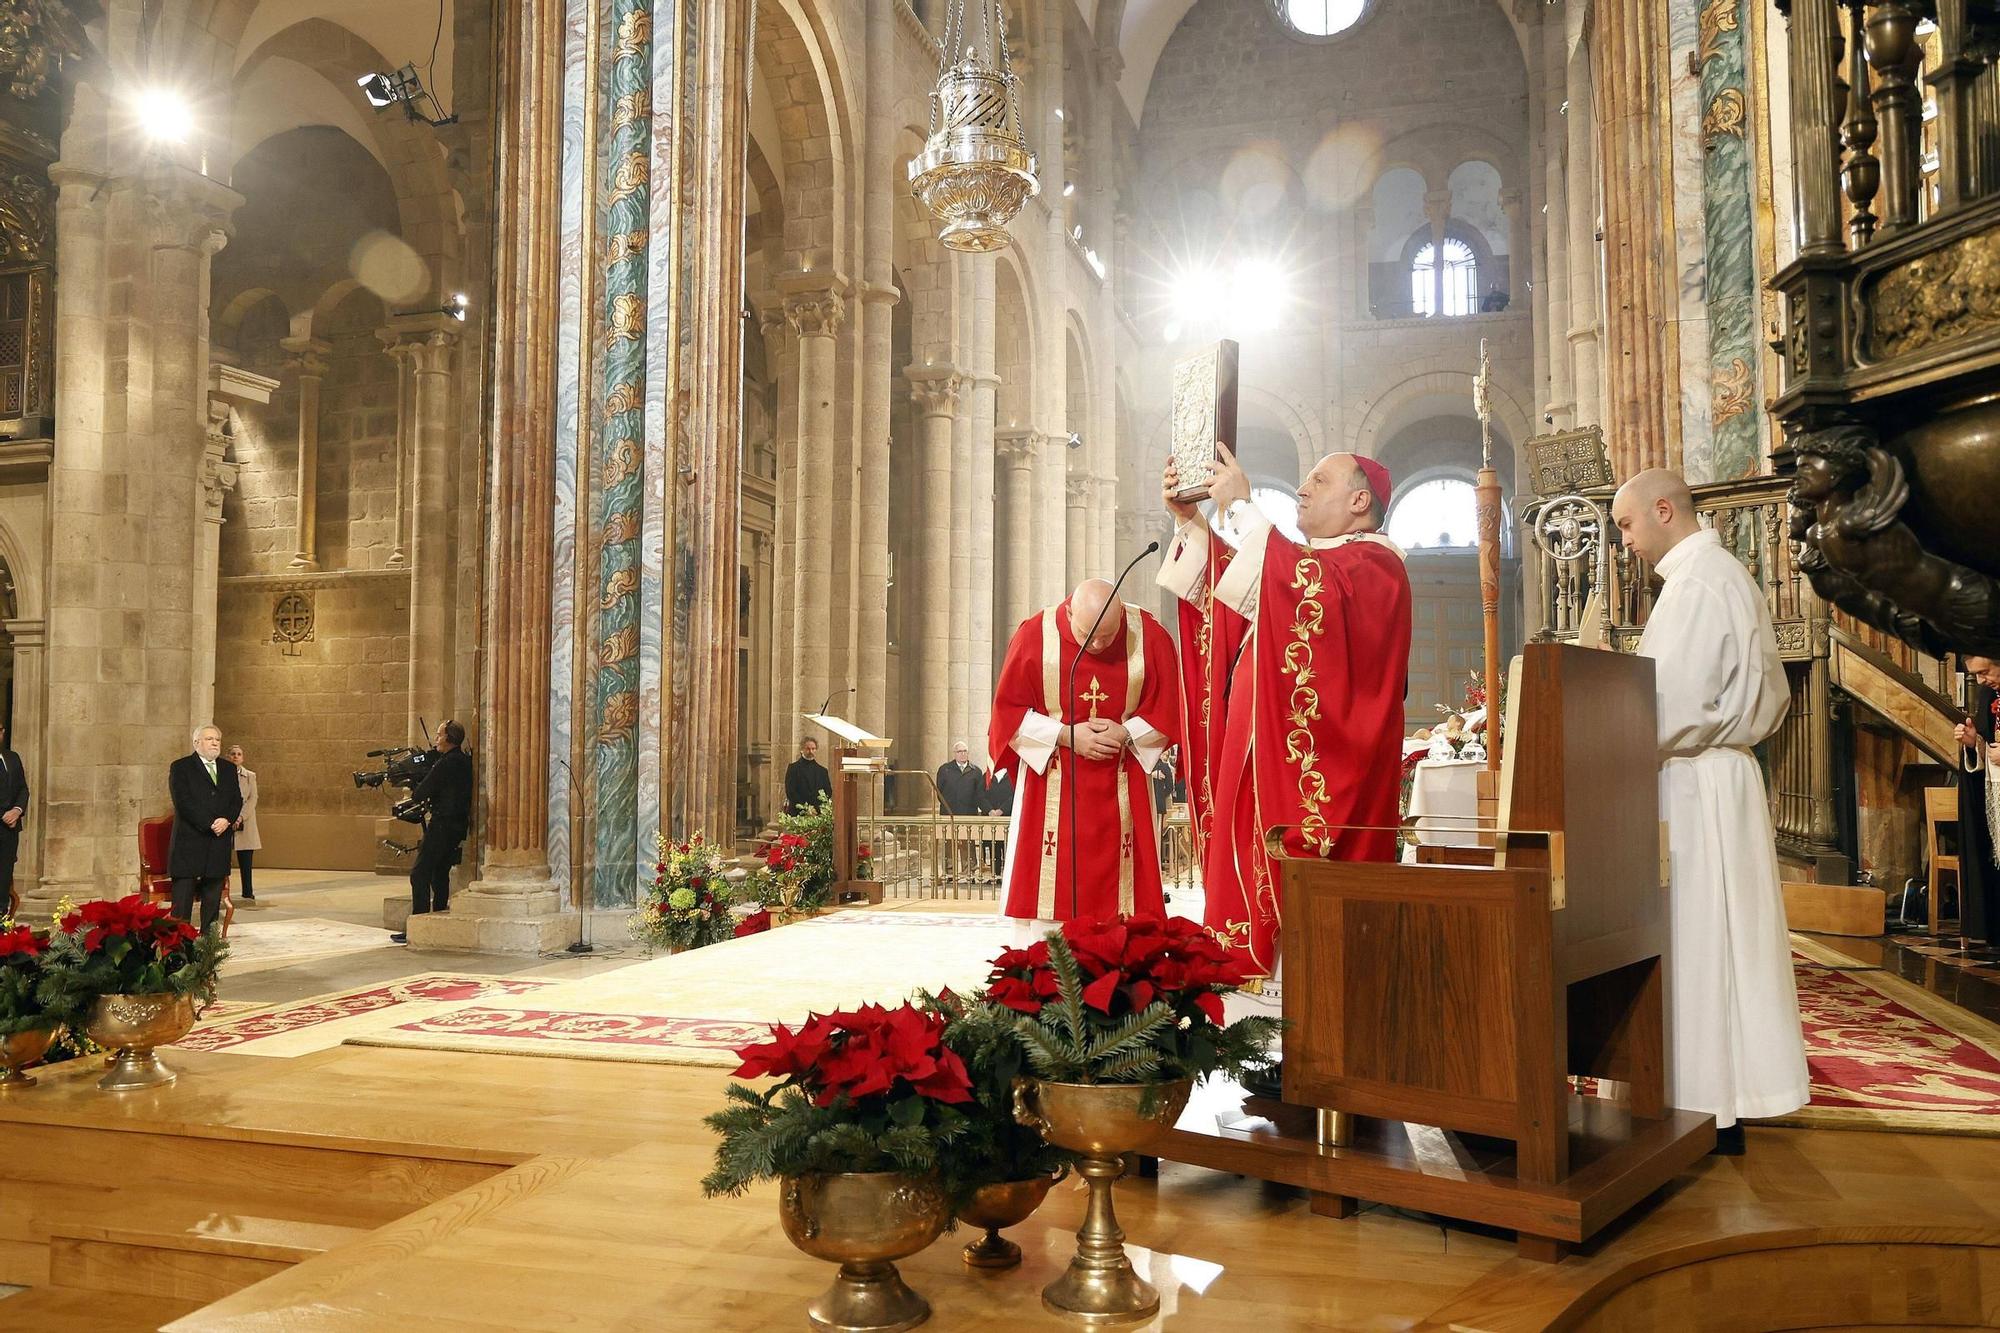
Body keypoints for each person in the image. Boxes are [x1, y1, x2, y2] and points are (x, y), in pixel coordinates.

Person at [1159, 446, 1412, 983]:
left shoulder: (1377, 566)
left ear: (1359, 501)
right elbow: (1242, 593)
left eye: (1319, 481)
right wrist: (1193, 522)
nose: (1302, 489)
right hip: (1255, 754)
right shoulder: (1311, 564)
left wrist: (1242, 507)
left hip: (1298, 772)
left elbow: (1298, 583)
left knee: (1307, 964)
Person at [1612, 467, 1808, 1154]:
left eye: (1628, 524)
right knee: (1723, 939)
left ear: (1664, 509)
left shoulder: (1697, 582)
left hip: (1695, 780)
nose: (1626, 541)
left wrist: (1607, 728)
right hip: (1716, 775)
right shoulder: (1717, 574)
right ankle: (1720, 1100)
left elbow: (1670, 704)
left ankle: (1702, 1105)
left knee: (1700, 937)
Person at [990, 579, 1182, 926]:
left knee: (1125, 906)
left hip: (1124, 782)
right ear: (1068, 613)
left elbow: (1170, 708)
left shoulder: (1149, 636)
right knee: (1049, 903)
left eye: (1106, 637)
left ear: (1121, 616)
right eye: (1086, 634)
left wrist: (1127, 732)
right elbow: (1007, 716)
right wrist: (1065, 734)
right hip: (1051, 785)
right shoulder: (1035, 635)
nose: (1096, 645)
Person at [391, 720, 474, 944]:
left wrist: (414, 780)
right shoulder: (463, 761)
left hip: (442, 825)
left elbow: (420, 793)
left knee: (420, 873)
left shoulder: (445, 763)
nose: (436, 739)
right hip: (457, 826)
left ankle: (418, 924)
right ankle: (437, 920)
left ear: (449, 738)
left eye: (439, 735)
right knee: (440, 874)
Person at [168, 725, 243, 933]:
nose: (215, 743)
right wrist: (210, 822)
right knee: (182, 905)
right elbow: (183, 802)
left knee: (212, 901)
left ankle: (209, 943)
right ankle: (179, 944)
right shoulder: (181, 767)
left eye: (217, 739)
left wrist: (227, 820)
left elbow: (236, 800)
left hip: (218, 842)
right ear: (196, 743)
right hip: (190, 842)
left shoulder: (228, 768)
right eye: (209, 739)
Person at [1953, 656, 2000, 940]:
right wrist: (1973, 744)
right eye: (1976, 675)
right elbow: (1988, 747)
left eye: (1985, 672)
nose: (1981, 680)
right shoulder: (1988, 695)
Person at [226, 743, 262, 907]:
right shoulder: (222, 775)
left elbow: (253, 799)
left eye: (239, 754)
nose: (236, 756)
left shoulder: (250, 776)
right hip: (226, 822)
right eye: (233, 754)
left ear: (243, 758)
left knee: (246, 860)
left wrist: (240, 817)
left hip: (245, 822)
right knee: (222, 861)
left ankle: (248, 892)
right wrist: (230, 818)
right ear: (228, 757)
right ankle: (221, 892)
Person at [0, 724, 25, 918]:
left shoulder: (12, 757)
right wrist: (3, 814)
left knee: (4, 875)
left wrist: (17, 810)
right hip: (3, 820)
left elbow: (23, 789)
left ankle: (2, 918)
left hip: (10, 830)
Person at [783, 737, 832, 815]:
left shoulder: (822, 771)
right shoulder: (793, 768)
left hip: (817, 813)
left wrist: (816, 808)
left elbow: (828, 792)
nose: (811, 751)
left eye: (813, 749)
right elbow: (790, 791)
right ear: (802, 749)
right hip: (798, 813)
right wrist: (806, 809)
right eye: (808, 749)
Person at [935, 741, 986, 815]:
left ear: (968, 753)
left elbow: (979, 794)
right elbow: (939, 792)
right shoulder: (944, 769)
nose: (963, 754)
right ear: (955, 753)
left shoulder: (976, 771)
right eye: (959, 751)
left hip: (969, 813)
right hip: (949, 813)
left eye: (965, 751)